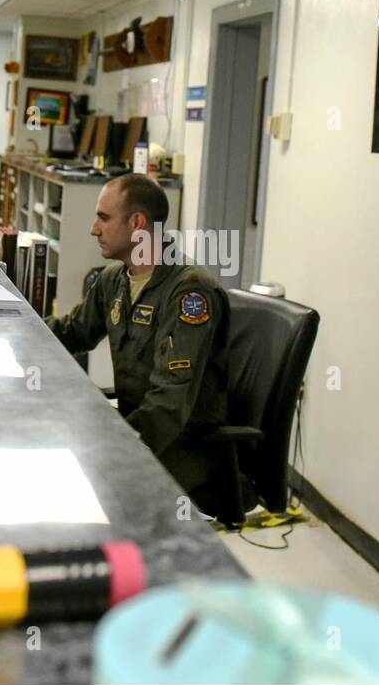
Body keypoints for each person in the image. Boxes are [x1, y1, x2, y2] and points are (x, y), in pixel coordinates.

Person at [47, 174, 247, 519]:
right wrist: (13, 330)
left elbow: (170, 400)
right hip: (139, 428)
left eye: (104, 218)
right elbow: (72, 332)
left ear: (137, 222)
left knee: (74, 487)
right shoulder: (114, 279)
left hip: (183, 447)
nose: (94, 229)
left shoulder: (189, 292)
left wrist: (118, 448)